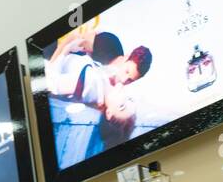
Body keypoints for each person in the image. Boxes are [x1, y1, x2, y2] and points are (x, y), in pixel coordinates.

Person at [46, 28, 152, 167]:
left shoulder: (91, 87)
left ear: (108, 113)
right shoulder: (101, 82)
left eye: (122, 106)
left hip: (49, 54)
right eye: (128, 100)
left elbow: (51, 84)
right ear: (125, 58)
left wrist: (67, 47)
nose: (124, 81)